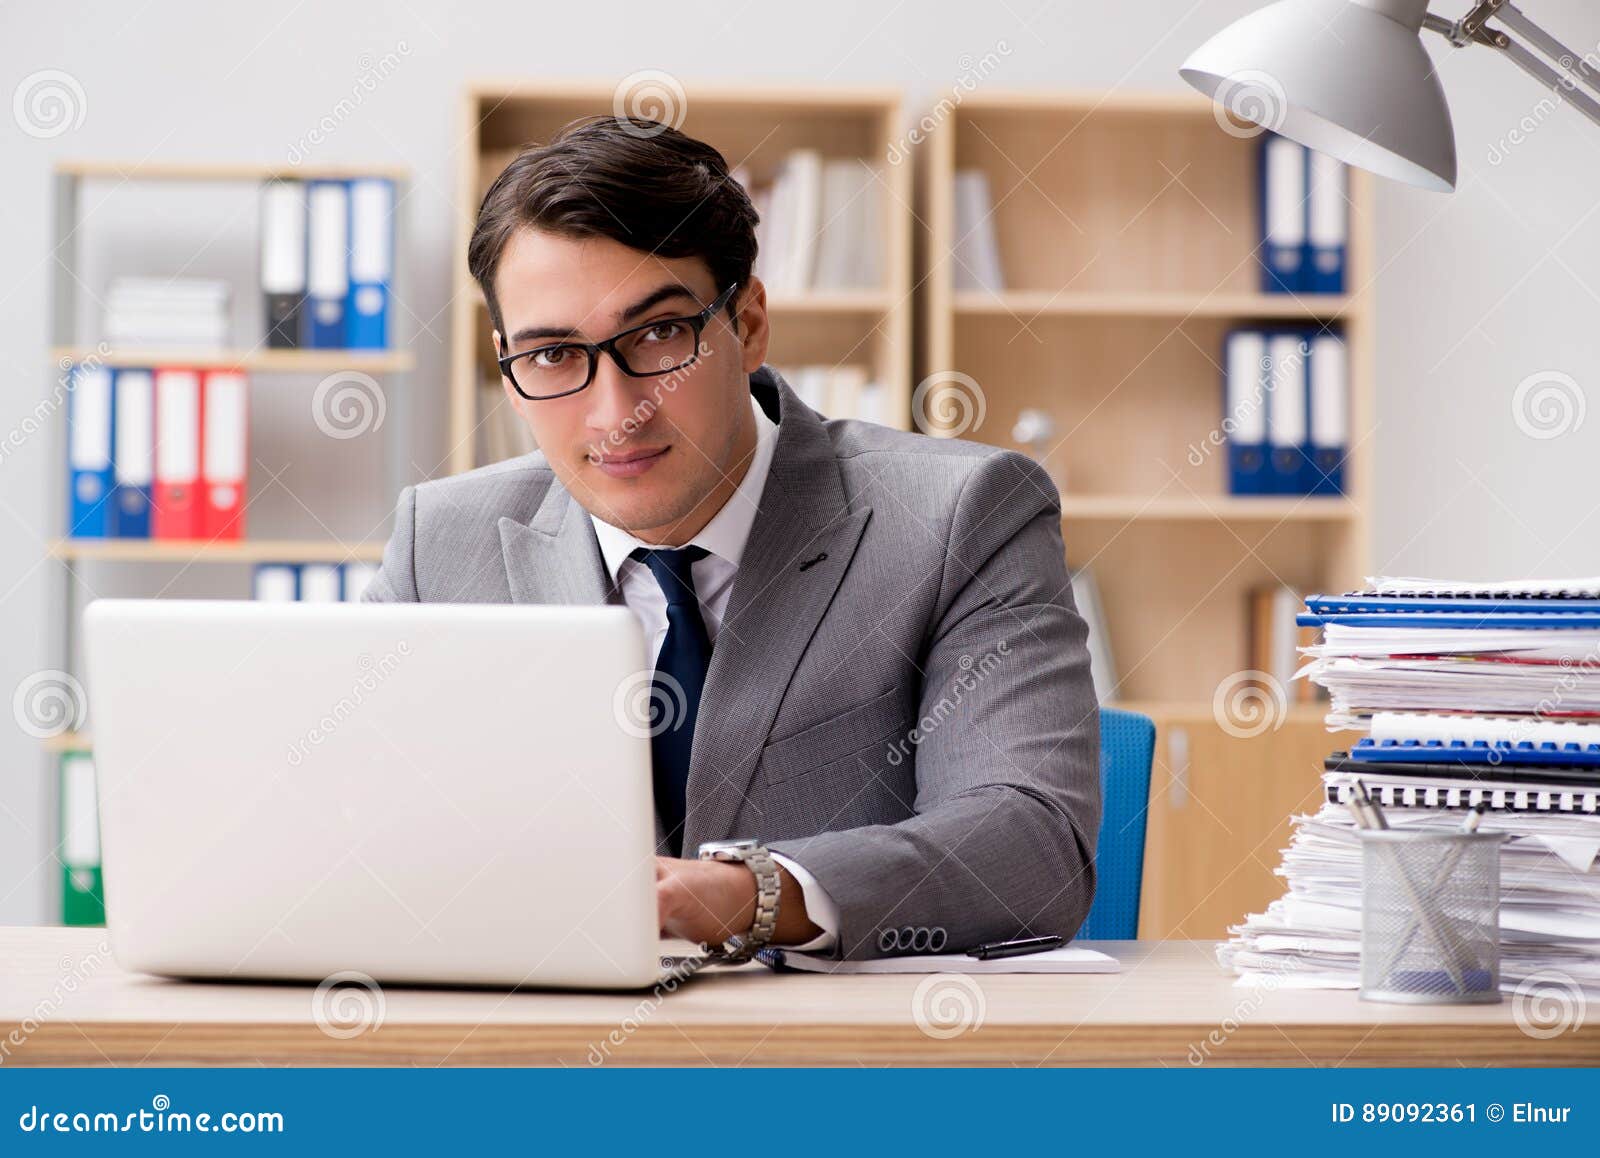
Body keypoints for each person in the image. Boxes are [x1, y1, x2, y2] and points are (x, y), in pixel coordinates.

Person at [364, 115, 1100, 961]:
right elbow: (346, 825)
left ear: (747, 324)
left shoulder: (961, 514)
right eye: (555, 356)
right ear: (506, 360)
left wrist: (750, 897)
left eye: (658, 335)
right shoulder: (439, 543)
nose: (614, 414)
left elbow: (1031, 845)